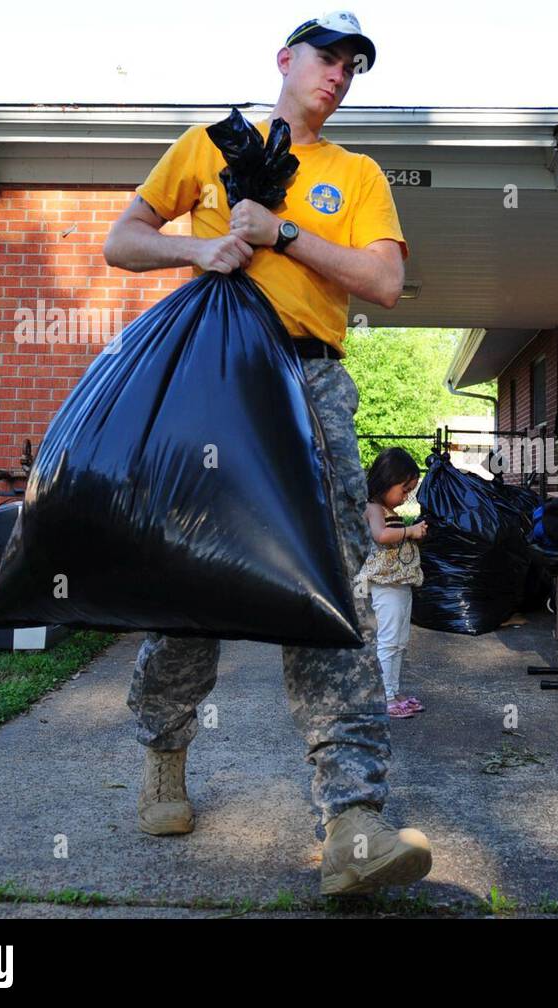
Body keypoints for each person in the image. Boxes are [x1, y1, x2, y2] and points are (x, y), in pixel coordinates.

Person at [103, 11, 432, 896]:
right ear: (286, 58)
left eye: (353, 66)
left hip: (313, 383)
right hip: (214, 380)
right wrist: (200, 247)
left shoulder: (356, 174)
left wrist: (283, 232)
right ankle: (166, 752)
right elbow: (120, 239)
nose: (339, 74)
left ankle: (353, 820)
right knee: (194, 573)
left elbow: (386, 282)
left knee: (331, 583)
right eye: (327, 56)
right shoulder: (209, 142)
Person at [354, 448, 427, 719]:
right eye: (404, 489)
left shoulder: (388, 508)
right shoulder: (372, 508)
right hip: (386, 585)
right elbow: (381, 535)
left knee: (399, 641)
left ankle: (394, 692)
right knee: (388, 641)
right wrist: (409, 530)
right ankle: (383, 696)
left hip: (401, 584)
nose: (406, 496)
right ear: (386, 480)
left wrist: (413, 533)